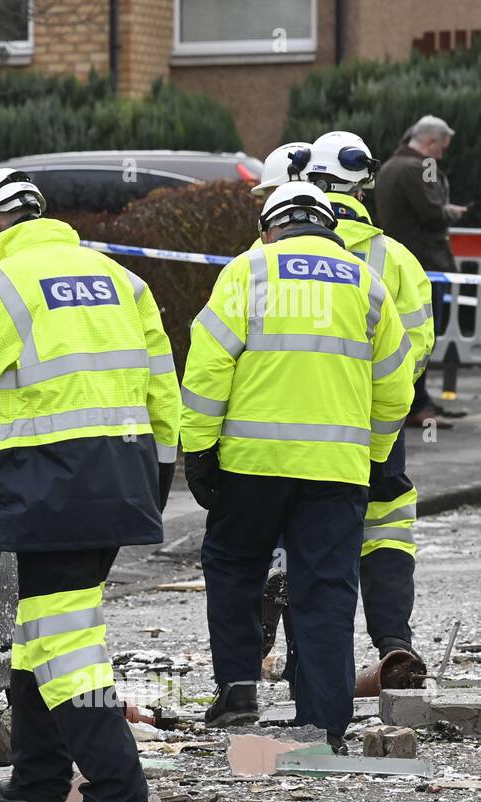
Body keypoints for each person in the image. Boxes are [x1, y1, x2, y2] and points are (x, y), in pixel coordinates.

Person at [0, 166, 180, 802]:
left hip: (50, 483)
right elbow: (162, 384)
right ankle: (38, 780)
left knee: (67, 645)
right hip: (120, 475)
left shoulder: (1, 285)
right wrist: (162, 469)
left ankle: (119, 798)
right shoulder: (121, 280)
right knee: (41, 629)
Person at [181, 182, 413, 752]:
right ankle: (324, 722)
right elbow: (395, 385)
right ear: (328, 225)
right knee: (326, 588)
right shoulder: (367, 283)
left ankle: (237, 691)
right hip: (336, 470)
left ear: (269, 228)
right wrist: (375, 454)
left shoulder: (248, 271)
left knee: (235, 570)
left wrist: (200, 450)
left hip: (251, 466)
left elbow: (209, 365)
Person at [296, 132, 432, 664]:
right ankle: (393, 642)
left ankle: (300, 662)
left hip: (283, 425)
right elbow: (415, 348)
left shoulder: (273, 250)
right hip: (374, 425)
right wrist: (379, 399)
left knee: (302, 534)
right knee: (387, 521)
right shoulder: (394, 259)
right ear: (363, 184)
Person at [376, 115, 468, 425]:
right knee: (421, 339)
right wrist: (450, 211)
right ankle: (417, 407)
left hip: (401, 264)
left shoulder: (389, 167)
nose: (442, 155)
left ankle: (418, 401)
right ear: (430, 143)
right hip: (426, 266)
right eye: (442, 148)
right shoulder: (419, 168)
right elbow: (430, 213)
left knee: (402, 338)